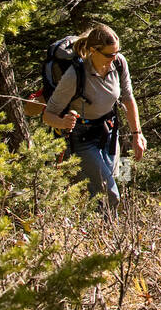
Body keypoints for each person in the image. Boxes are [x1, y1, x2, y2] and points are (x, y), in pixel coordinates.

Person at [42, 24, 145, 214]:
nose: (114, 58)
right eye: (109, 54)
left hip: (108, 131)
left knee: (107, 188)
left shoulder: (119, 63)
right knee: (110, 194)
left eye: (117, 52)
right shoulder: (75, 75)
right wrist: (62, 123)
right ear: (92, 51)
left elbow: (128, 98)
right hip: (82, 139)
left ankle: (97, 234)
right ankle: (109, 237)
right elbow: (48, 115)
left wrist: (137, 134)